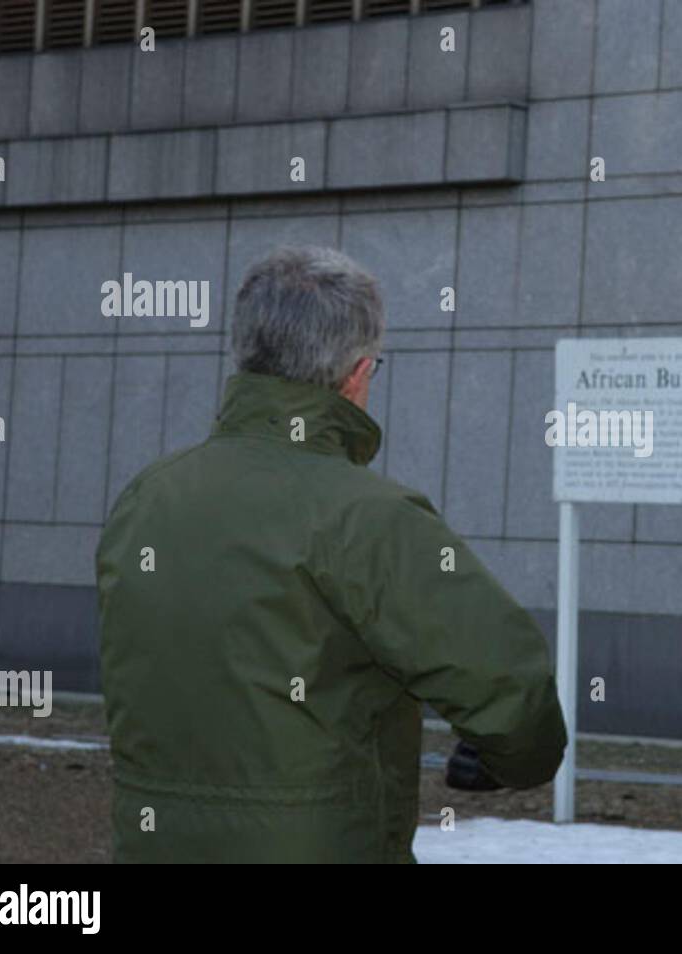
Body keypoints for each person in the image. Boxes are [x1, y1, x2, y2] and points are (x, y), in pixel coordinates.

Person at [96, 246, 566, 862]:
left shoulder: (146, 499)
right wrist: (513, 761)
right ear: (357, 373)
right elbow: (511, 692)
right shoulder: (369, 517)